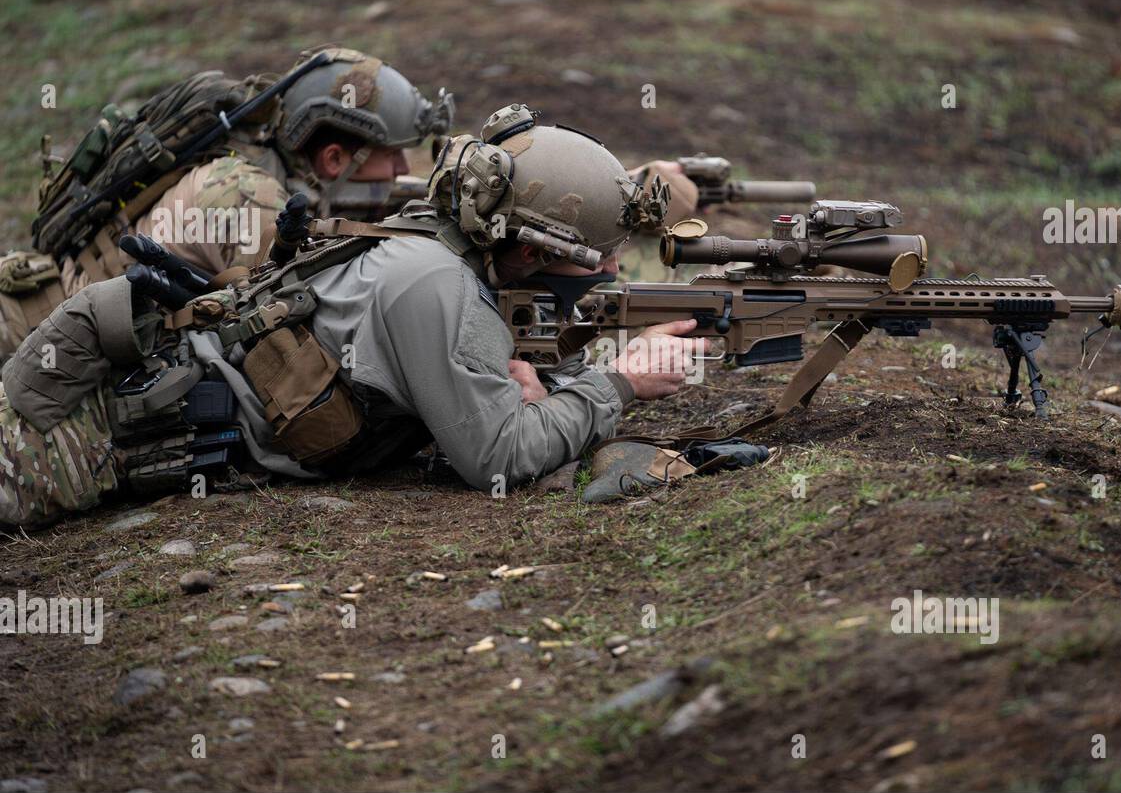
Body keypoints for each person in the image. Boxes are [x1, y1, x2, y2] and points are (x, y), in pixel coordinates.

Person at [0, 104, 704, 529]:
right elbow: (497, 458)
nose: (610, 270)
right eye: (595, 256)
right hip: (86, 430)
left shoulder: (439, 245)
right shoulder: (439, 286)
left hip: (125, 408)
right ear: (526, 246)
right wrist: (622, 384)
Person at [0, 47, 451, 359]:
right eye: (393, 153)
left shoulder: (267, 160)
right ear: (334, 159)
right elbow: (317, 321)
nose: (399, 168)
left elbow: (390, 194)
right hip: (26, 336)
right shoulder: (246, 196)